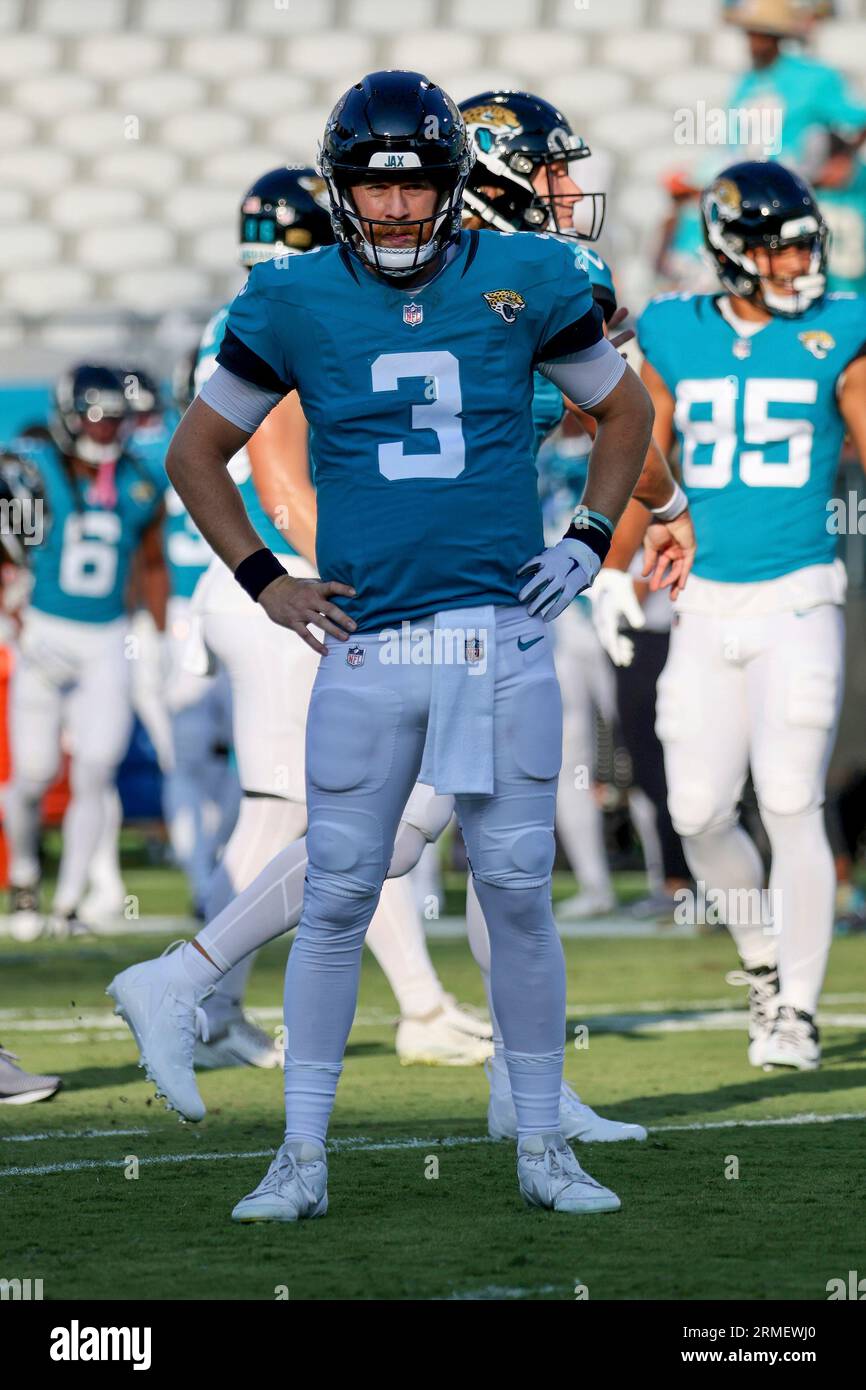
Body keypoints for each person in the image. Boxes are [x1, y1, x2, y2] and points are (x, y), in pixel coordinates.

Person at [110, 70, 659, 1220]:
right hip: (368, 644)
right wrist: (266, 578)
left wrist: (592, 533)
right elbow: (196, 452)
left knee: (515, 891)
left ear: (454, 186)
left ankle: (541, 1144)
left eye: (414, 191)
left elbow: (624, 414)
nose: (397, 211)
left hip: (499, 632)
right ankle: (298, 1160)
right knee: (342, 893)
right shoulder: (293, 296)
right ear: (340, 186)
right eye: (373, 187)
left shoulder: (529, 275)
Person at [638, 159, 866, 1070]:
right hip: (702, 598)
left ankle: (799, 1012)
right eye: (778, 248)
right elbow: (640, 457)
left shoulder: (841, 326)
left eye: (804, 244)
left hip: (800, 593)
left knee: (790, 796)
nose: (797, 263)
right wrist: (612, 569)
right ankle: (764, 963)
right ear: (733, 253)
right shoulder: (671, 330)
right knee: (695, 811)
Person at [4, 365, 166, 940]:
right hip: (43, 632)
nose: (105, 432)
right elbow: (8, 541)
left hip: (105, 639)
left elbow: (151, 563)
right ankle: (24, 871)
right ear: (71, 418)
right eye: (97, 420)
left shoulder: (139, 481)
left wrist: (158, 631)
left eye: (114, 421)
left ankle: (69, 900)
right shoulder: (34, 470)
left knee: (96, 771)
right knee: (33, 775)